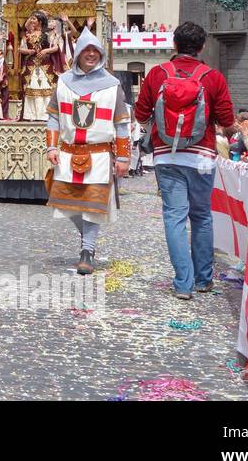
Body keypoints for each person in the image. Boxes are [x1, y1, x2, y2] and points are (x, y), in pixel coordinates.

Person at [133, 21, 234, 300]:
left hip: (167, 156)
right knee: (201, 216)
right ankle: (204, 279)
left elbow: (140, 113)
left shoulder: (157, 74)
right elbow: (226, 120)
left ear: (174, 45)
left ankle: (183, 284)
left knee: (174, 217)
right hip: (202, 157)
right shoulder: (212, 77)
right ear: (202, 47)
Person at [45, 28, 131, 275]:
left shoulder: (112, 86)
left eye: (95, 50)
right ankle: (87, 238)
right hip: (68, 153)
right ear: (78, 53)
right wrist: (51, 146)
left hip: (99, 155)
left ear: (101, 54)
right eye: (86, 50)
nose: (91, 54)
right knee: (67, 204)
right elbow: (53, 117)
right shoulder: (63, 83)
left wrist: (124, 157)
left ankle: (87, 251)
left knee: (93, 205)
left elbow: (121, 123)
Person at [19, 12, 54, 121]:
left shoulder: (48, 33)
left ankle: (45, 115)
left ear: (40, 21)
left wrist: (45, 51)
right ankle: (30, 115)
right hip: (31, 65)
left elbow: (57, 47)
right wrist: (29, 51)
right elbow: (20, 49)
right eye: (31, 19)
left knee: (45, 88)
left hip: (45, 65)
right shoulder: (28, 33)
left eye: (34, 19)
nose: (31, 21)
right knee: (31, 88)